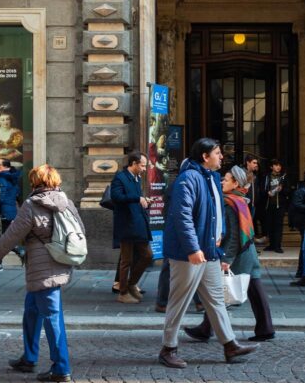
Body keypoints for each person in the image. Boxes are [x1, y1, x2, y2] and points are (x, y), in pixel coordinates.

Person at [158, 138, 257, 369]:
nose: (221, 156)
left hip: (210, 250)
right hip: (189, 253)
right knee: (179, 301)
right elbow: (181, 215)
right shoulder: (189, 178)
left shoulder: (211, 177)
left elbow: (215, 211)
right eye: (217, 153)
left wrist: (219, 235)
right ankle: (168, 349)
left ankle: (230, 345)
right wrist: (192, 248)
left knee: (216, 299)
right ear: (205, 156)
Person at [0, 164, 78, 383]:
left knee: (52, 316)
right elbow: (79, 231)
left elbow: (10, 237)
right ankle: (29, 357)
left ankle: (61, 368)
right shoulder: (67, 202)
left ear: (35, 182)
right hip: (59, 262)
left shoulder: (32, 205)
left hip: (42, 269)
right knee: (32, 311)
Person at [185, 166, 275, 343]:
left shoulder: (229, 203)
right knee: (254, 290)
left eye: (226, 180)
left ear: (235, 183)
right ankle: (265, 328)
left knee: (217, 292)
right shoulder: (240, 200)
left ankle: (206, 328)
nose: (222, 182)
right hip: (247, 251)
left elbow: (233, 235)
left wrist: (227, 259)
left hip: (238, 254)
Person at [111, 152, 153, 304]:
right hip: (126, 224)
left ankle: (131, 284)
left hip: (138, 223)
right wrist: (138, 198)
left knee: (147, 255)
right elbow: (116, 197)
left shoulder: (137, 178)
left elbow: (136, 199)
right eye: (142, 165)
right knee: (126, 260)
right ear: (134, 163)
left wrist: (144, 201)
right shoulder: (120, 177)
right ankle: (123, 292)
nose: (144, 169)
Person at [261, 160, 288, 254]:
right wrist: (267, 192)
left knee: (278, 226)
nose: (278, 167)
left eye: (279, 165)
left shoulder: (283, 177)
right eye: (276, 165)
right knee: (270, 225)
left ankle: (277, 246)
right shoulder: (267, 177)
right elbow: (262, 189)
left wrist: (282, 189)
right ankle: (271, 245)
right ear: (271, 167)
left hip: (280, 205)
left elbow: (288, 190)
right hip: (269, 205)